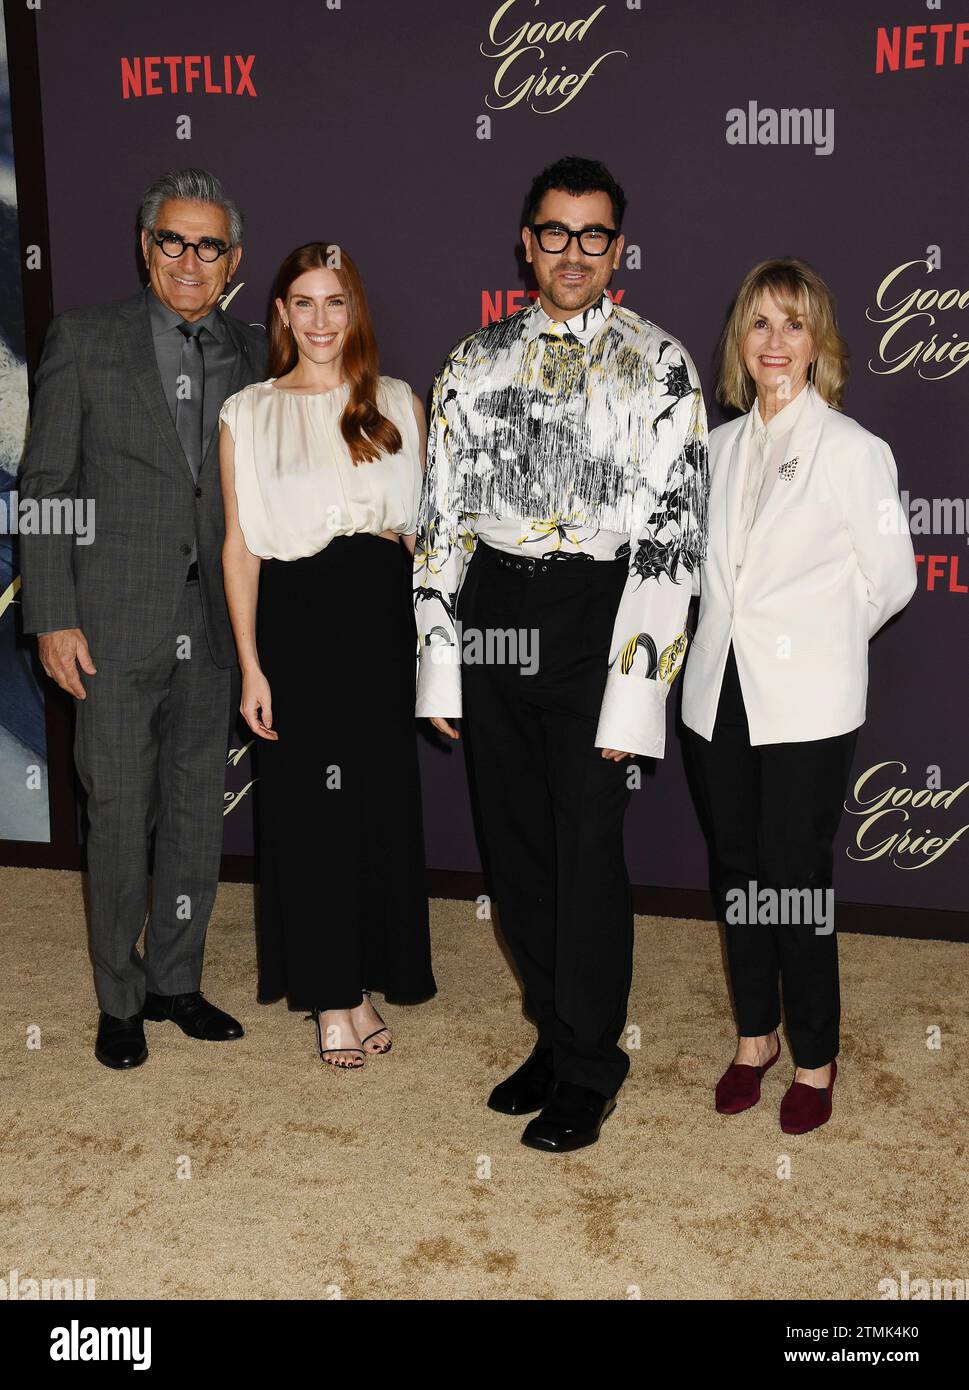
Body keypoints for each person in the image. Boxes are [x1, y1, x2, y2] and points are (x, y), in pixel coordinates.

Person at [413, 156, 708, 1151]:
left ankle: (591, 1063)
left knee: (587, 852)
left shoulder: (663, 364)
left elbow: (673, 543)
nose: (572, 252)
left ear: (617, 248)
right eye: (554, 231)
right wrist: (438, 660)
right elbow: (442, 523)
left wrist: (636, 692)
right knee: (517, 845)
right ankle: (551, 1029)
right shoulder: (473, 359)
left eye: (593, 235)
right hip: (496, 604)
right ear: (526, 242)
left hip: (600, 607)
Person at [18, 169, 267, 1069]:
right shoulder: (83, 341)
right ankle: (118, 999)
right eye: (173, 241)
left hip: (217, 624)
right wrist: (50, 615)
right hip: (112, 624)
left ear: (232, 259)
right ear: (146, 247)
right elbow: (45, 488)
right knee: (119, 814)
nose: (190, 260)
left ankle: (175, 980)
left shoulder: (255, 350)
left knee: (198, 812)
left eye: (209, 246)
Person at [681, 258, 917, 1134]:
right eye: (758, 324)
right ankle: (755, 1037)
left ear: (817, 340)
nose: (774, 342)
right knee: (737, 871)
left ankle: (814, 1056)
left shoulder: (857, 451)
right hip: (717, 691)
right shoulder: (714, 447)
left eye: (792, 323)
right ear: (739, 342)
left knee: (794, 877)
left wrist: (817, 639)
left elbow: (890, 580)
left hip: (808, 699)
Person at [219, 242, 436, 1070]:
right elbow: (241, 548)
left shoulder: (396, 401)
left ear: (355, 312)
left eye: (334, 302)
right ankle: (332, 997)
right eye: (301, 303)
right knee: (311, 814)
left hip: (380, 626)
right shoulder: (249, 411)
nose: (318, 320)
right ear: (279, 314)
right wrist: (251, 664)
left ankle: (366, 975)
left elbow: (423, 535)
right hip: (299, 627)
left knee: (375, 807)